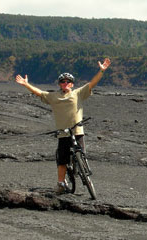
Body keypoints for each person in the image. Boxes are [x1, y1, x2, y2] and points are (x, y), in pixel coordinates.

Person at [15, 58, 111, 194]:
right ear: (59, 84)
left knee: (81, 153)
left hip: (77, 130)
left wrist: (101, 70)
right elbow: (39, 93)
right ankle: (61, 183)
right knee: (62, 160)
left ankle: (82, 170)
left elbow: (92, 83)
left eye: (68, 81)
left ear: (72, 84)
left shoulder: (78, 93)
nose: (65, 83)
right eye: (63, 81)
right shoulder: (53, 96)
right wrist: (26, 84)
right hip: (63, 133)